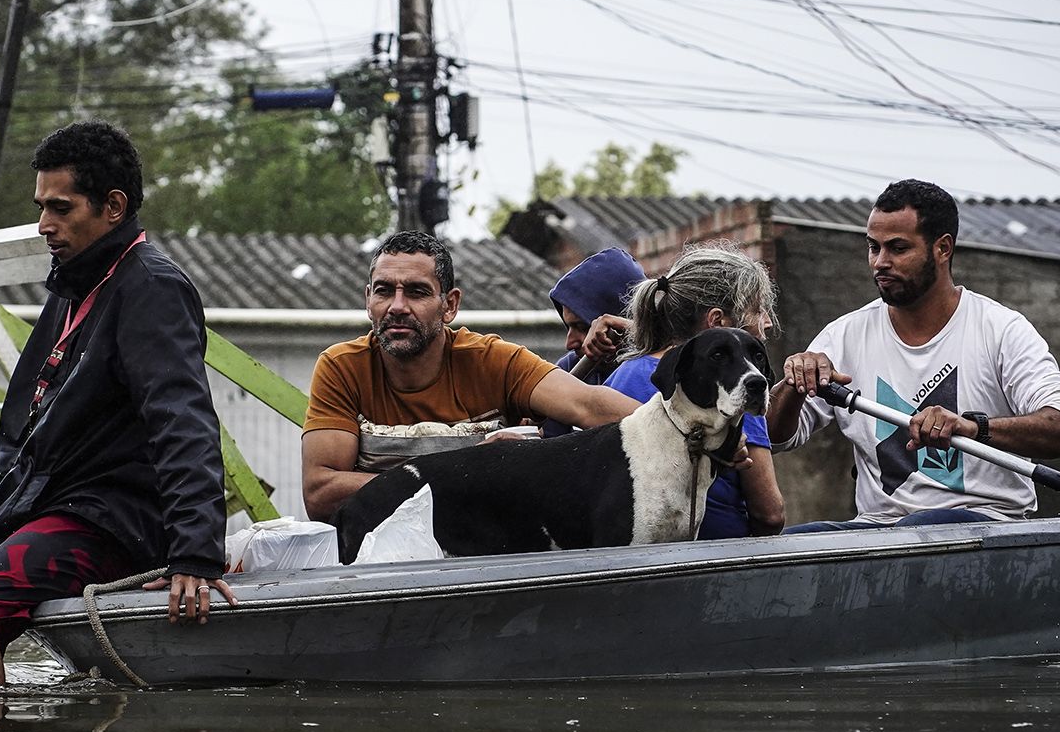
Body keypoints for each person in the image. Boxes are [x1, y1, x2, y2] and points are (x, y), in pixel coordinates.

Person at [0, 121, 233, 685]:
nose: (44, 224)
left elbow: (183, 422)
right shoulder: (73, 287)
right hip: (64, 513)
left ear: (113, 206)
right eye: (41, 207)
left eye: (61, 208)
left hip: (112, 523)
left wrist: (194, 555)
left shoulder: (151, 287)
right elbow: (24, 428)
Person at [769, 178, 1060, 532]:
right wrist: (793, 385)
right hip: (878, 530)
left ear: (943, 248)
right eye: (874, 248)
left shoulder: (1000, 329)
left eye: (898, 248)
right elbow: (772, 437)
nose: (880, 262)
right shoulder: (844, 335)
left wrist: (973, 427)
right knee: (790, 546)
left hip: (985, 526)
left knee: (922, 526)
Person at [301, 230, 641, 523]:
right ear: (368, 299)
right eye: (384, 291)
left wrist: (678, 417)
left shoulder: (493, 361)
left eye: (417, 292)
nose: (397, 306)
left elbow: (588, 405)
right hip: (374, 565)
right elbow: (320, 495)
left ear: (450, 305)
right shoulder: (341, 367)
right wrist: (470, 469)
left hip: (480, 565)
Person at [600, 241, 786, 538]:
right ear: (717, 321)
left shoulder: (623, 374)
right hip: (716, 552)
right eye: (758, 310)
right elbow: (769, 515)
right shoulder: (735, 389)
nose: (766, 323)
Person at [542, 247, 647, 437]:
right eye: (568, 327)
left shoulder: (659, 369)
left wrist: (641, 333)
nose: (570, 343)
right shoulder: (571, 369)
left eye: (583, 327)